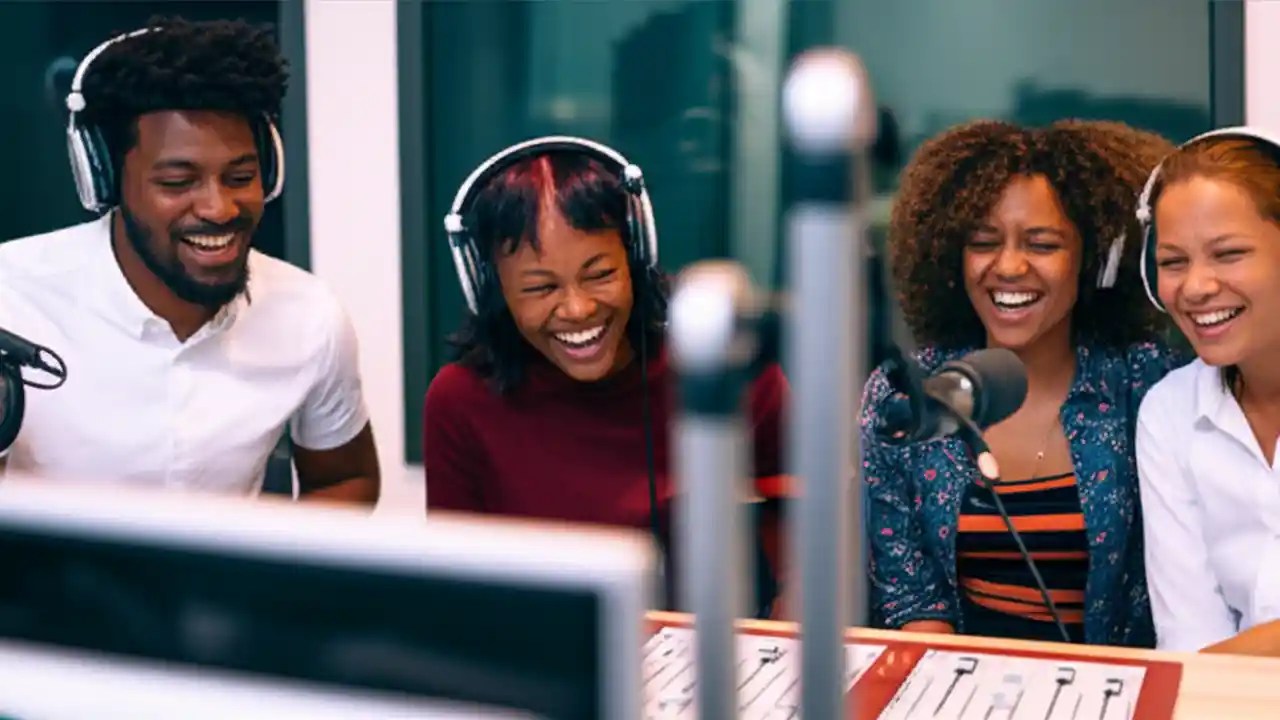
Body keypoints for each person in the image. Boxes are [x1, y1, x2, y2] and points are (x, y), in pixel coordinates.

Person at [0, 17, 379, 504]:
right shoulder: (12, 299)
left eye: (240, 177)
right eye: (178, 183)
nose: (219, 208)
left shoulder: (309, 314)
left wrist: (275, 579)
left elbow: (344, 478)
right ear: (107, 182)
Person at [422, 140, 789, 613]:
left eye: (599, 275)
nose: (577, 309)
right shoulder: (459, 403)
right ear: (490, 292)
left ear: (637, 258)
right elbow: (457, 598)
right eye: (540, 288)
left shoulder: (720, 366)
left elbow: (810, 524)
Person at [860, 119, 1185, 646]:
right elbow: (912, 600)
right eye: (984, 242)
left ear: (1094, 261)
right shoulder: (906, 395)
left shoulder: (1148, 385)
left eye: (1042, 244)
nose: (1008, 266)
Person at [1135, 128, 1280, 656]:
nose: (1195, 287)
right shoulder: (1169, 413)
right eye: (1173, 262)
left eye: (1229, 253)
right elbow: (1188, 642)